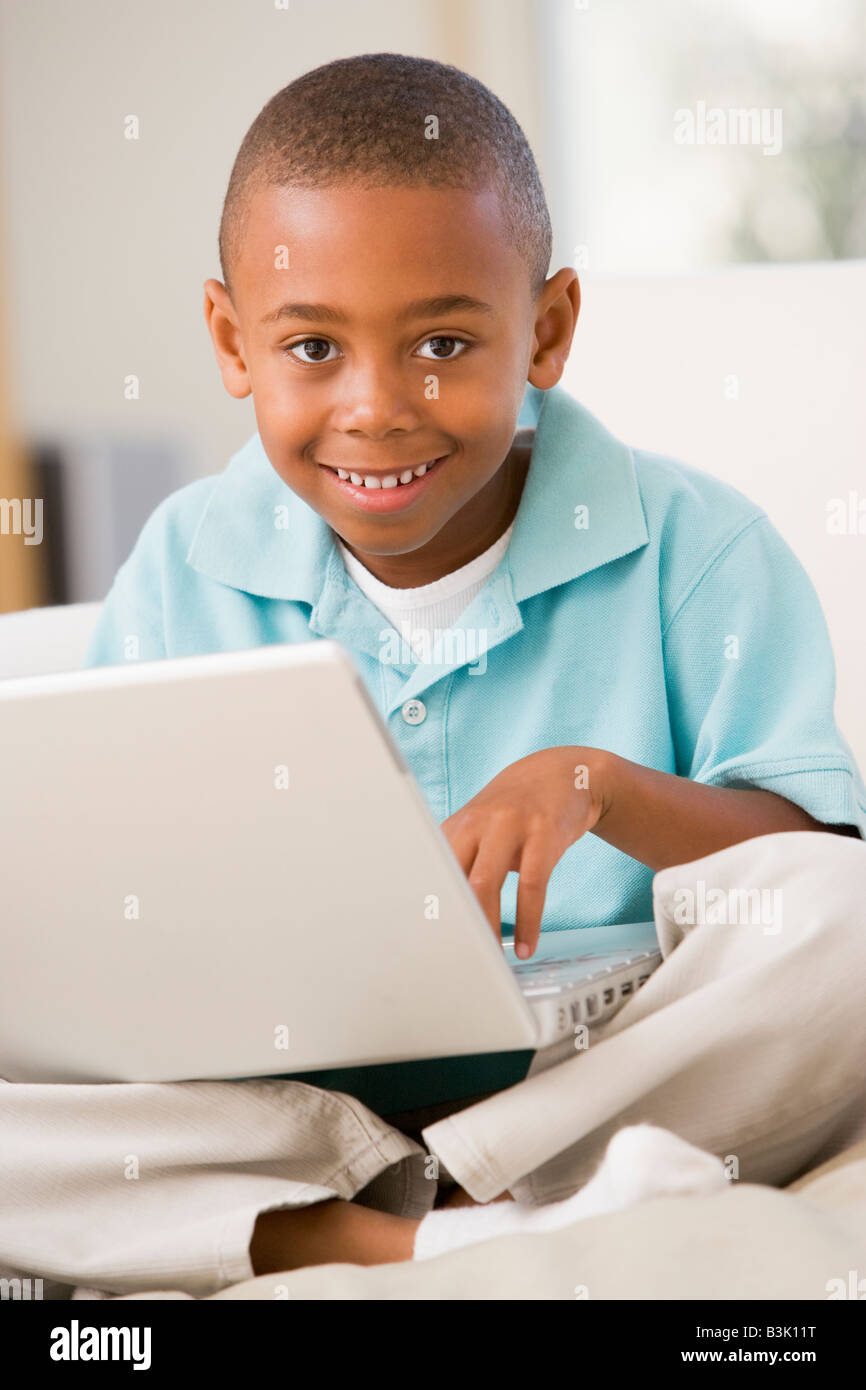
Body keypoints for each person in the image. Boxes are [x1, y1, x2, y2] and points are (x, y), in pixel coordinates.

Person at [3, 53, 864, 1293]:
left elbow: (806, 862)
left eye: (443, 342)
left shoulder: (700, 550)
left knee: (846, 924)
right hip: (271, 1088)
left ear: (546, 330)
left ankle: (472, 1183)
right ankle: (423, 1231)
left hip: (600, 1060)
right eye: (310, 348)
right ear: (229, 341)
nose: (375, 408)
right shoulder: (185, 563)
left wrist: (593, 785)